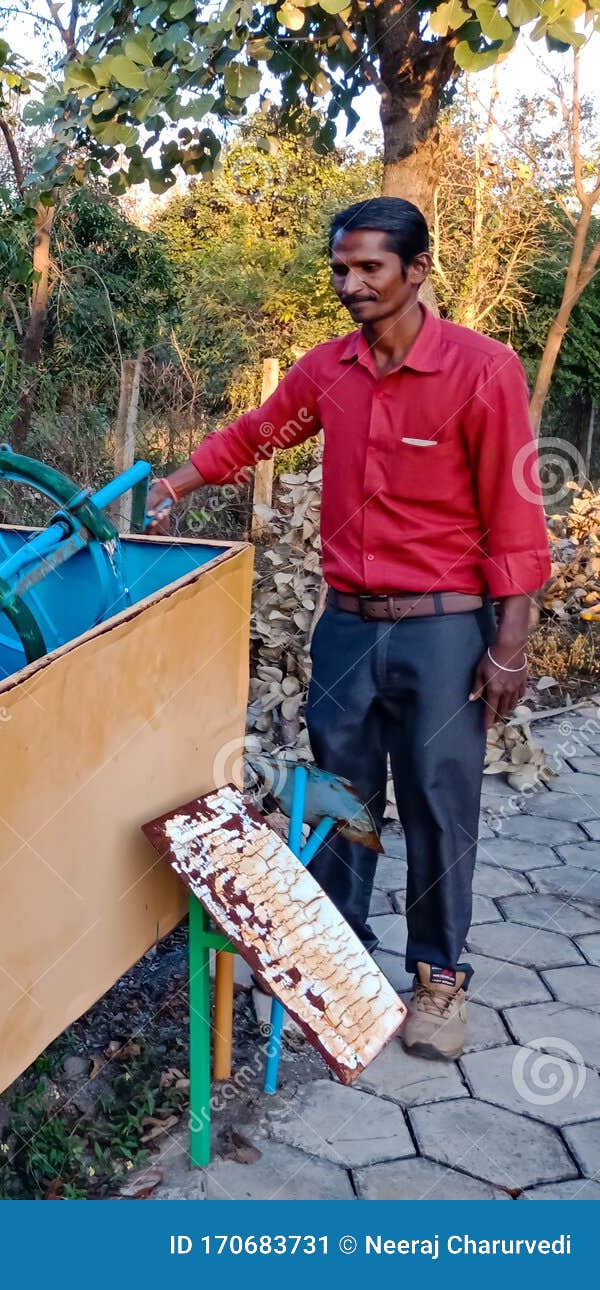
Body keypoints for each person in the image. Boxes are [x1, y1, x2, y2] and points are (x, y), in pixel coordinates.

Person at [148, 196, 551, 1061]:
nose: (351, 283)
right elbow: (258, 433)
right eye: (340, 268)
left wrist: (508, 646)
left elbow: (516, 518)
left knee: (440, 804)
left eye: (370, 267)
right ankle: (338, 963)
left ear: (416, 270)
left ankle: (439, 980)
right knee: (340, 796)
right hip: (346, 627)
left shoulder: (482, 370)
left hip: (444, 630)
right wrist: (173, 485)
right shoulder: (329, 370)